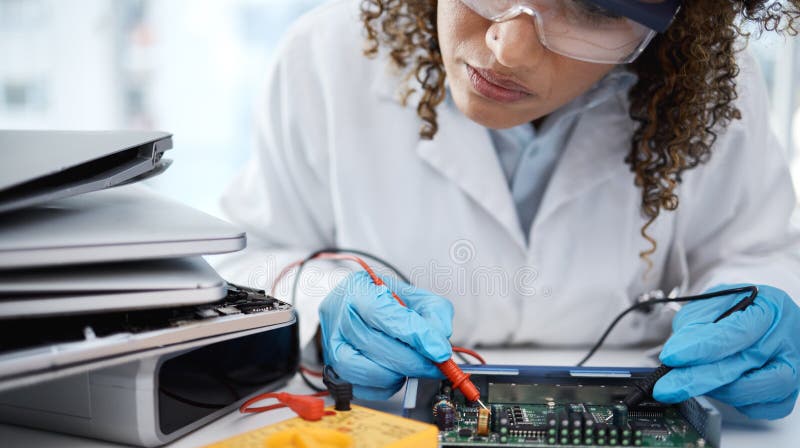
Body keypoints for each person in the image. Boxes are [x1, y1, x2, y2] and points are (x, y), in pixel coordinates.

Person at [218, 0, 800, 419]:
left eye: (594, 10)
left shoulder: (706, 90)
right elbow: (249, 258)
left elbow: (758, 251)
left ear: (666, 28)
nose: (510, 49)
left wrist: (755, 311)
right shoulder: (326, 56)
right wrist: (325, 307)